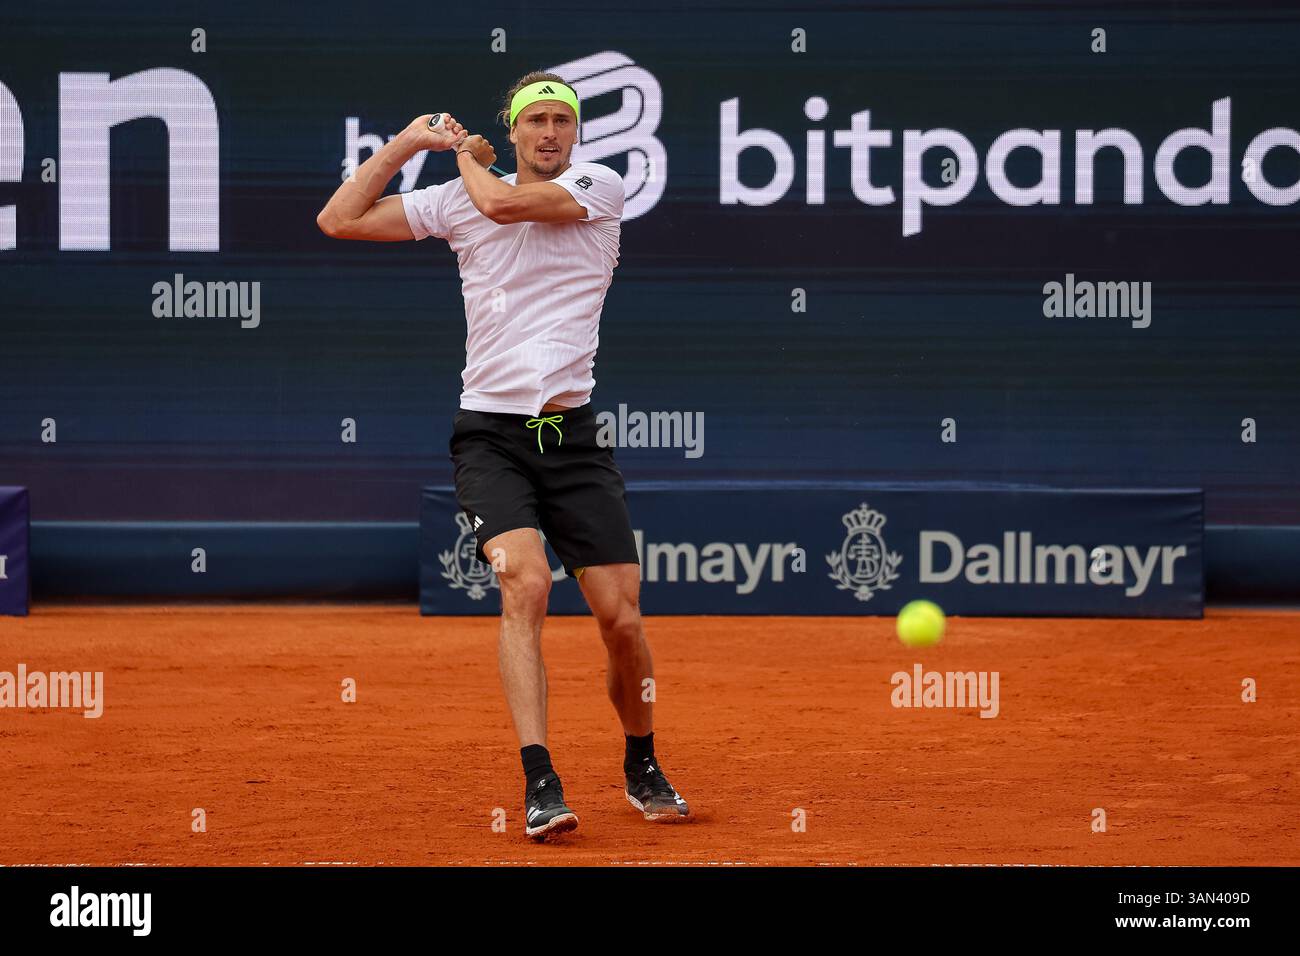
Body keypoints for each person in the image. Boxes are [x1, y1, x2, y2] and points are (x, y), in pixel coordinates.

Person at [316, 72, 689, 841]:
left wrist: (462, 156)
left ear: (576, 134)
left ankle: (641, 758)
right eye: (536, 121)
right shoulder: (460, 196)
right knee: (523, 583)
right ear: (514, 131)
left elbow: (503, 204)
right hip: (490, 434)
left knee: (620, 620)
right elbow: (339, 219)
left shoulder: (599, 186)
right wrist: (412, 143)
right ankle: (540, 779)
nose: (550, 132)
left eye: (562, 120)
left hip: (574, 439)